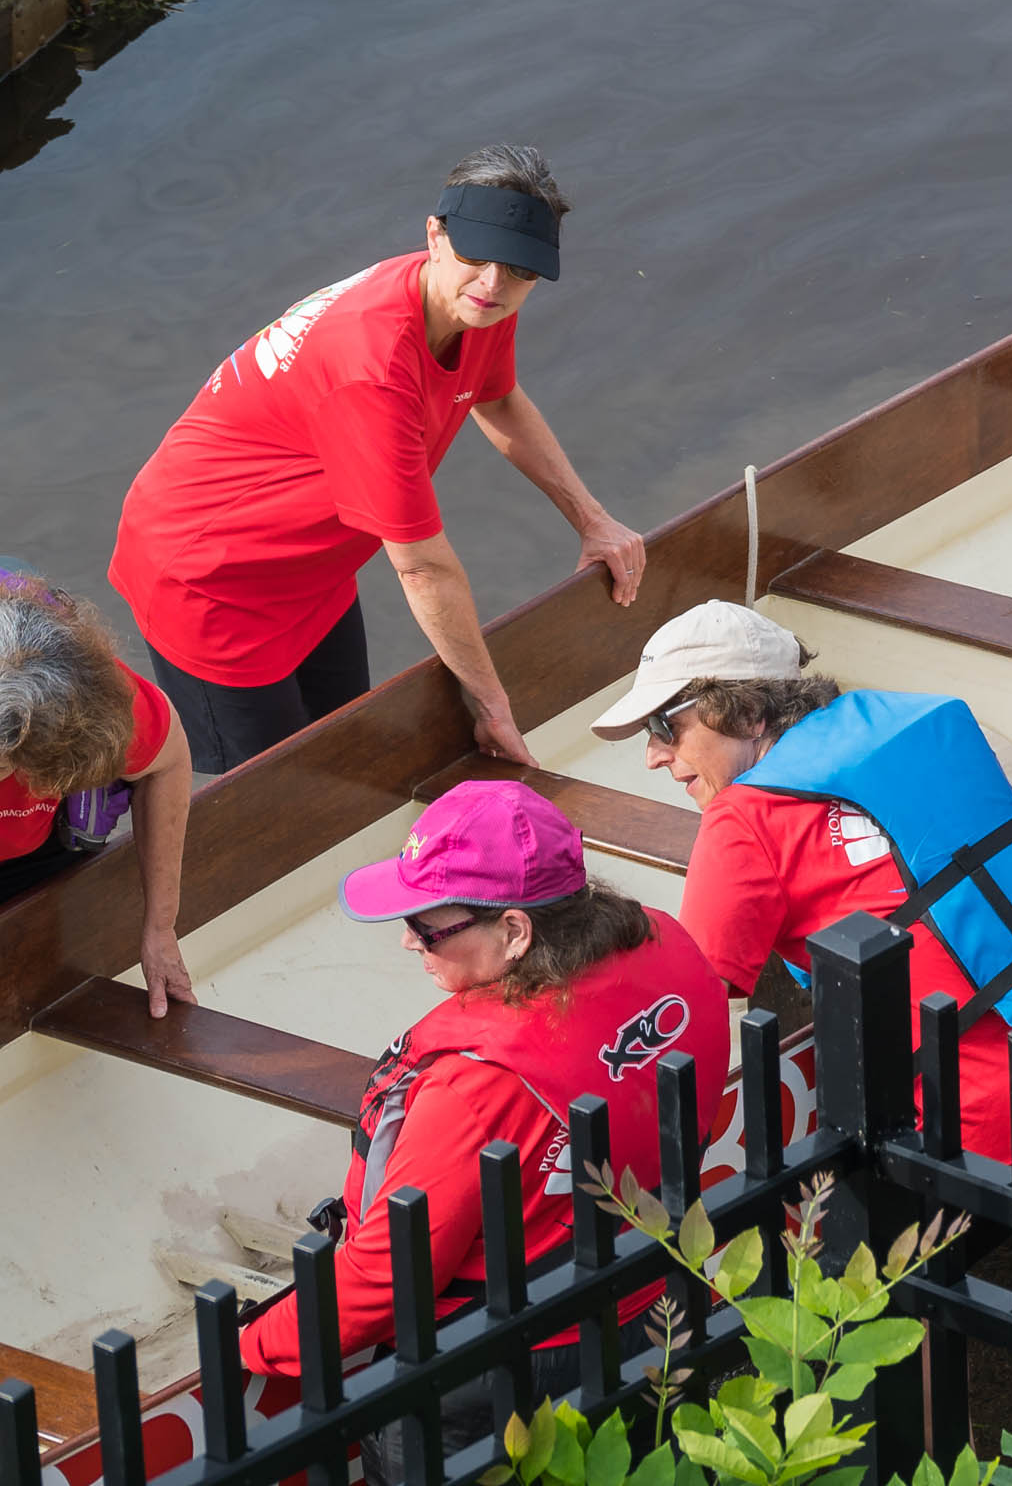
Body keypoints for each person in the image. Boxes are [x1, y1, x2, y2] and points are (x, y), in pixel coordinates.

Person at [607, 603, 1012, 1454]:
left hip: (1011, 1098)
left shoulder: (743, 822)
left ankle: (919, 1467)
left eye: (667, 725)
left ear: (737, 708)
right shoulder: (922, 715)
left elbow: (696, 1000)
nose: (658, 754)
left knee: (873, 1302)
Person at [240, 781, 730, 1480]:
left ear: (514, 930)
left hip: (510, 1364)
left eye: (429, 924)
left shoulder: (475, 1085)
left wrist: (252, 1345)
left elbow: (386, 1283)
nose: (409, 940)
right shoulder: (669, 943)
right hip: (665, 1292)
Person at [111, 145, 646, 776]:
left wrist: (592, 519)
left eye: (520, 269)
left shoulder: (477, 302)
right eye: (475, 258)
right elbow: (421, 568)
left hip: (313, 567)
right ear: (435, 235)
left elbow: (497, 401)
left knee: (351, 757)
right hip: (211, 579)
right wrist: (493, 699)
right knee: (270, 800)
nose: (493, 284)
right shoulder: (374, 367)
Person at [0, 566, 195, 1010]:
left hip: (36, 852)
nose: (36, 788)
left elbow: (167, 761)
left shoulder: (85, 693)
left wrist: (160, 928)